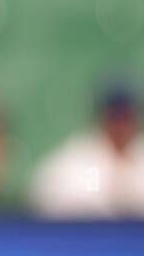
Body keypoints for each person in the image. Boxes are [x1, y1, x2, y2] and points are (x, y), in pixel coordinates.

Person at [30, 80, 144, 218]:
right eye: (115, 116)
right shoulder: (81, 159)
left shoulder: (139, 156)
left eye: (126, 115)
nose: (120, 124)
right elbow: (47, 196)